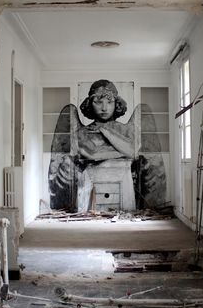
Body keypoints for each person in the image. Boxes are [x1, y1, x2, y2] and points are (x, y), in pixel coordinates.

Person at [48, 79, 166, 211]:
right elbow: (91, 154)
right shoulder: (82, 132)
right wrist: (120, 152)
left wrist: (105, 131)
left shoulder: (126, 130)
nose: (104, 108)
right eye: (98, 102)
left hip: (124, 182)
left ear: (116, 104)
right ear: (90, 104)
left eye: (110, 102)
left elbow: (132, 152)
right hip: (90, 184)